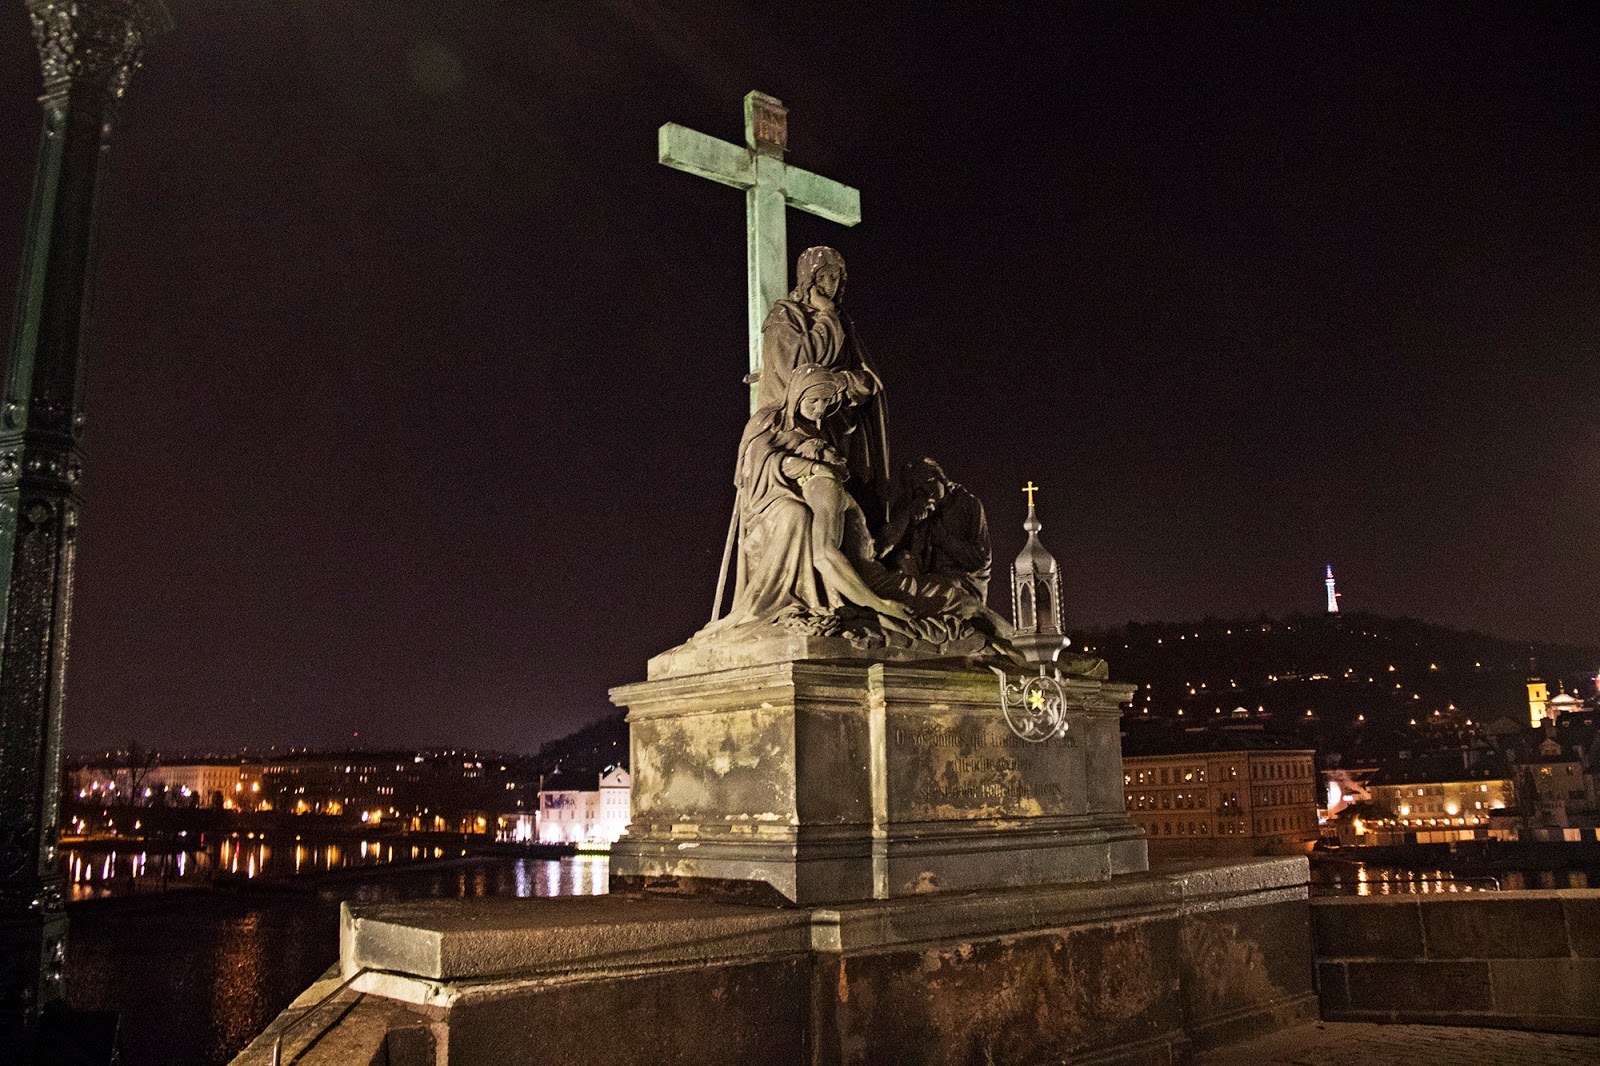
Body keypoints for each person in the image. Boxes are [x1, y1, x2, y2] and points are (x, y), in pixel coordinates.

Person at [716, 366, 911, 632]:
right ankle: (773, 599)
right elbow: (757, 463)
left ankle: (809, 596)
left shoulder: (816, 436)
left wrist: (818, 467)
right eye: (813, 400)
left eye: (825, 401)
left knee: (801, 514)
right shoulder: (767, 420)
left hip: (805, 494)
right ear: (796, 396)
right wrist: (810, 467)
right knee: (794, 514)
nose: (820, 408)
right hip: (767, 495)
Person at [755, 247, 889, 531]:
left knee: (855, 512)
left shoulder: (843, 325)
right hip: (800, 435)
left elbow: (867, 380)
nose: (831, 285)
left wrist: (844, 383)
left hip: (842, 431)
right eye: (824, 276)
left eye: (837, 278)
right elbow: (803, 369)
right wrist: (827, 317)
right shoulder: (785, 318)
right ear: (807, 279)